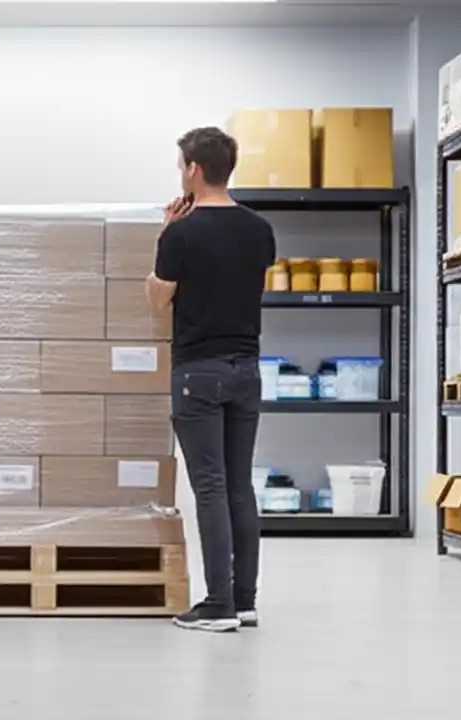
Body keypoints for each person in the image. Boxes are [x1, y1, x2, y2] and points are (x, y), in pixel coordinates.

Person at [146, 126, 276, 633]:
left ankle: (217, 604)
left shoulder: (181, 232)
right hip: (246, 370)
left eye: (181, 165)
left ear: (194, 170)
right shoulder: (259, 229)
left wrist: (164, 234)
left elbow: (159, 298)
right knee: (240, 485)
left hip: (197, 373)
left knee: (211, 487)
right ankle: (245, 600)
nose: (180, 173)